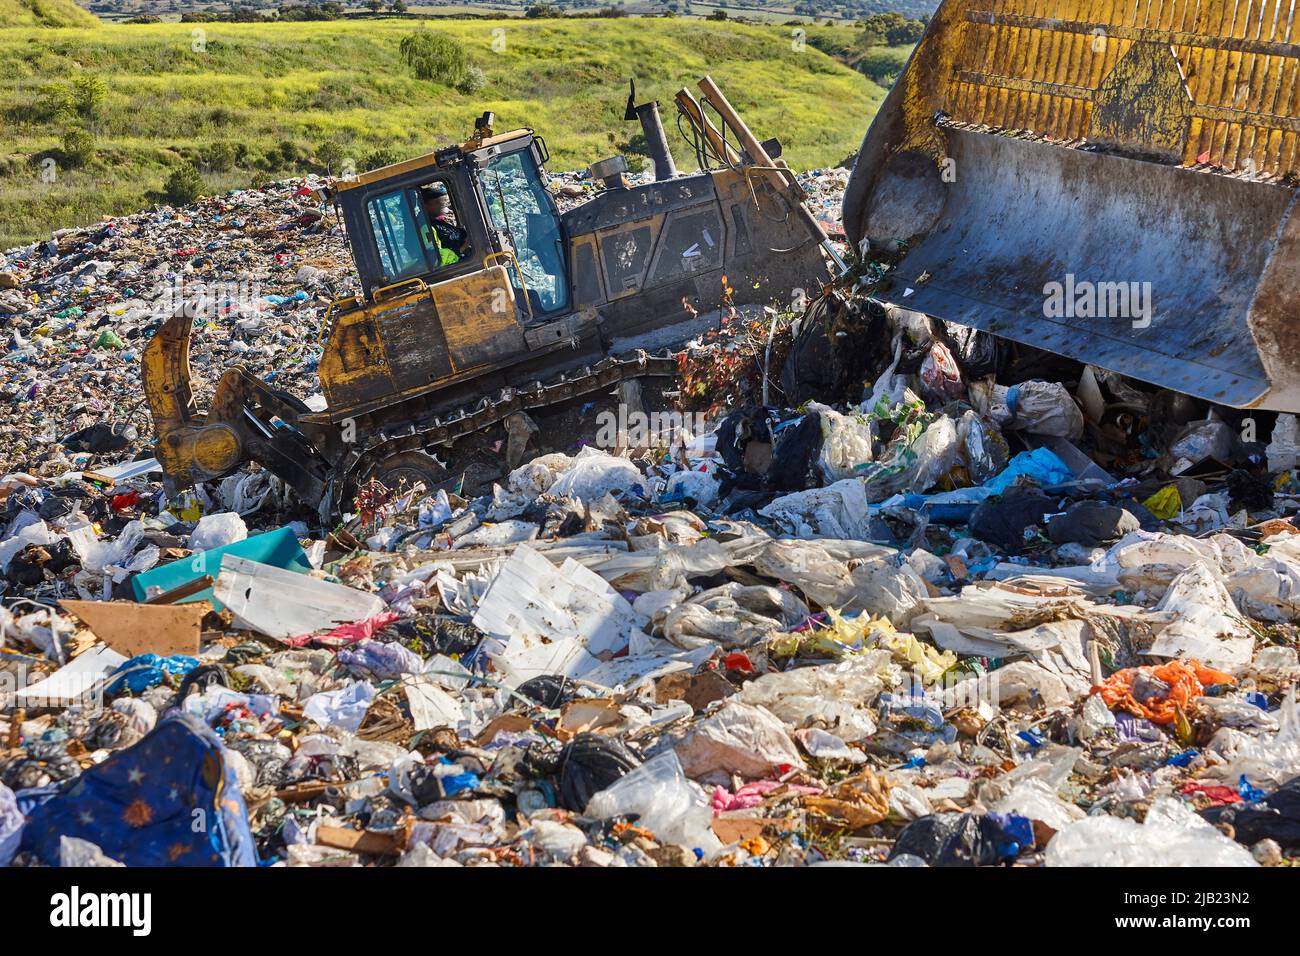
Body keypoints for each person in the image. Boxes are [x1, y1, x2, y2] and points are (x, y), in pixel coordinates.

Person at [418, 184, 468, 266]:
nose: (441, 205)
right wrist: (467, 244)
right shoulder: (425, 227)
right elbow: (438, 258)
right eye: (437, 202)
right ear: (425, 206)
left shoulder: (436, 222)